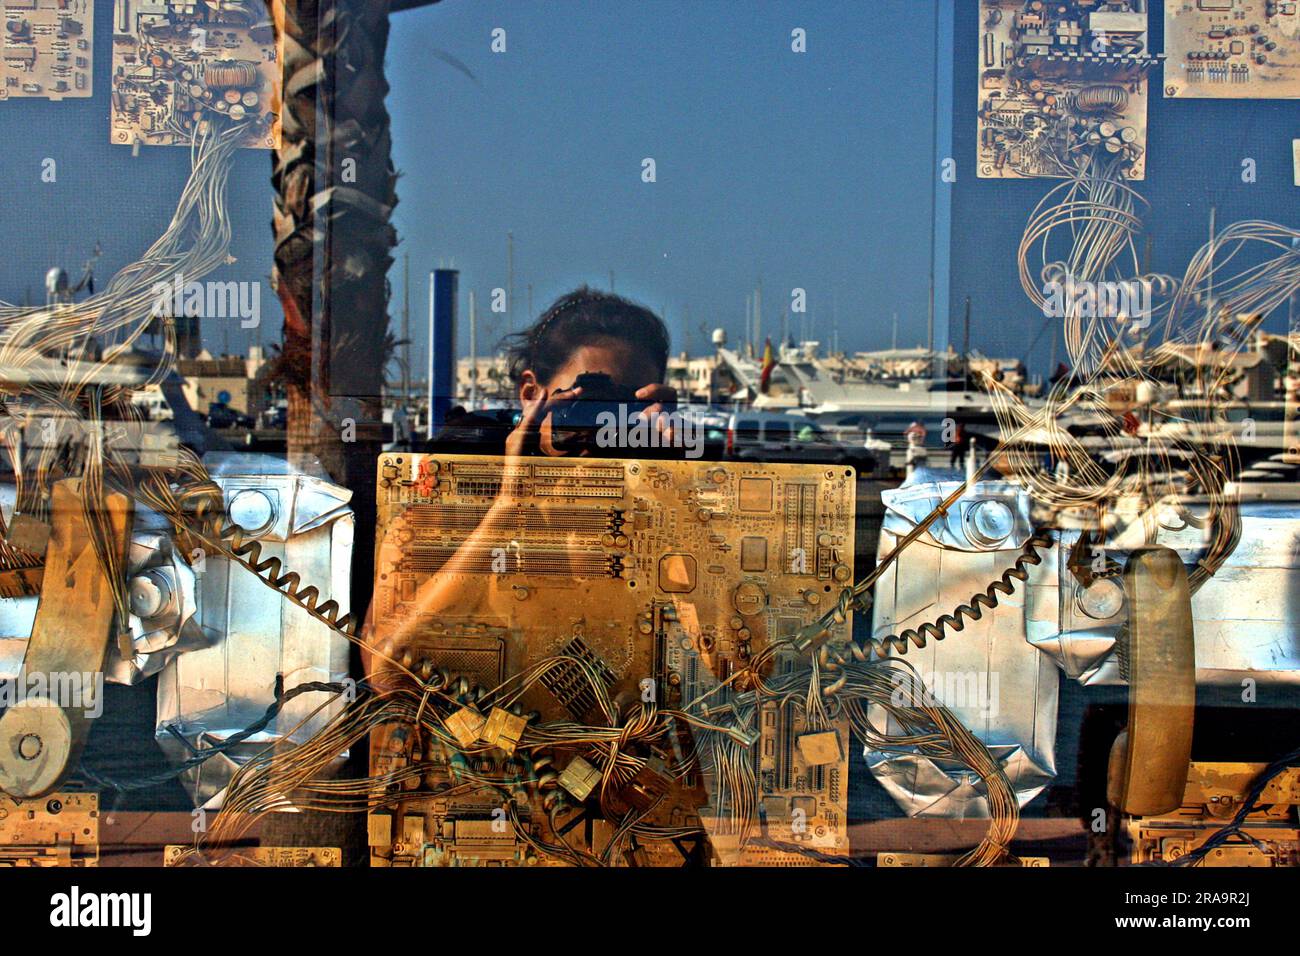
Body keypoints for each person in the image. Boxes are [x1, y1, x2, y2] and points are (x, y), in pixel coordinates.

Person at [372, 287, 680, 655]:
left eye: (626, 409)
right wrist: (509, 505)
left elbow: (740, 674)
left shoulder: (654, 508)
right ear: (532, 393)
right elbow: (385, 665)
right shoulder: (452, 488)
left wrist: (676, 495)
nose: (601, 429)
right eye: (583, 404)